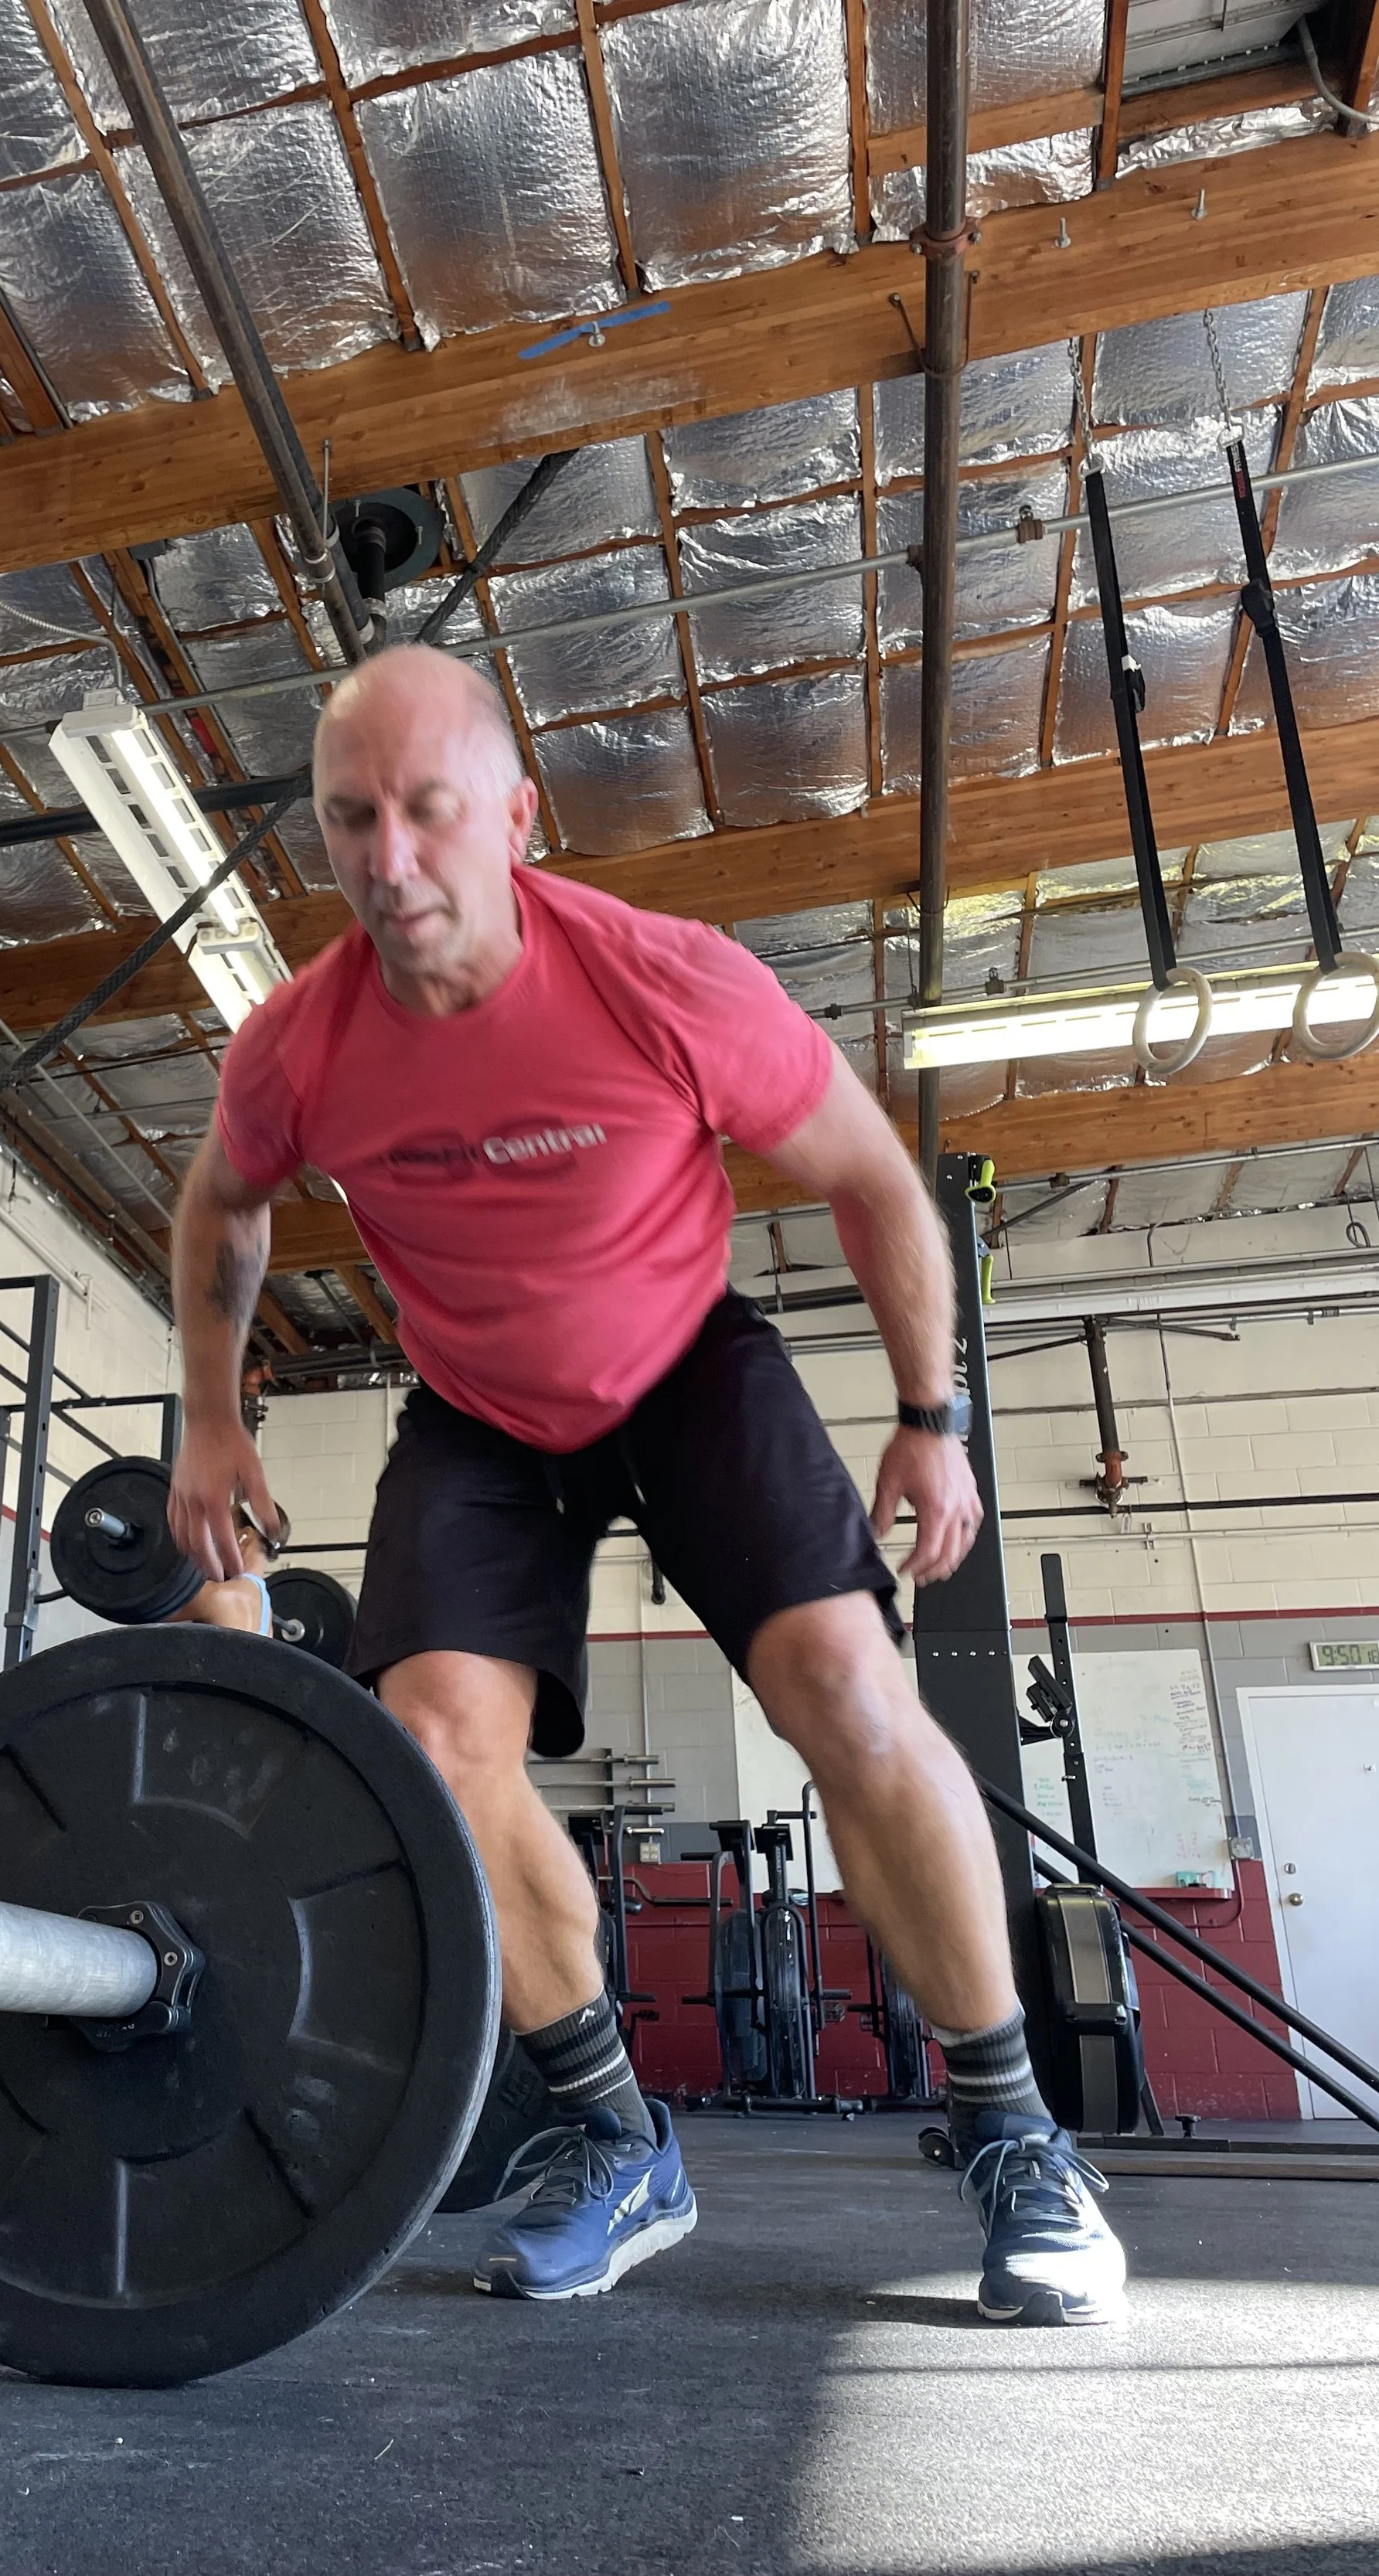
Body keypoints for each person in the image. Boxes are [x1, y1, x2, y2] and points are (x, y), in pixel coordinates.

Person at [168, 643, 1126, 2326]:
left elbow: (871, 1177)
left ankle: (1014, 2131)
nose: (386, 862)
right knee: (432, 1746)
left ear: (516, 818)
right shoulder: (298, 1044)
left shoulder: (659, 979)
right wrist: (208, 1416)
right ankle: (613, 2134)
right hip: (475, 1410)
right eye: (345, 820)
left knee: (845, 1684)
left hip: (686, 1363)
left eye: (425, 811)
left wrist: (931, 1412)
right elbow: (220, 1203)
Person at [165, 1499, 290, 1636]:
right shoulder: (266, 1612)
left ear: (246, 1535)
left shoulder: (219, 1596)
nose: (213, 1535)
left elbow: (146, 1609)